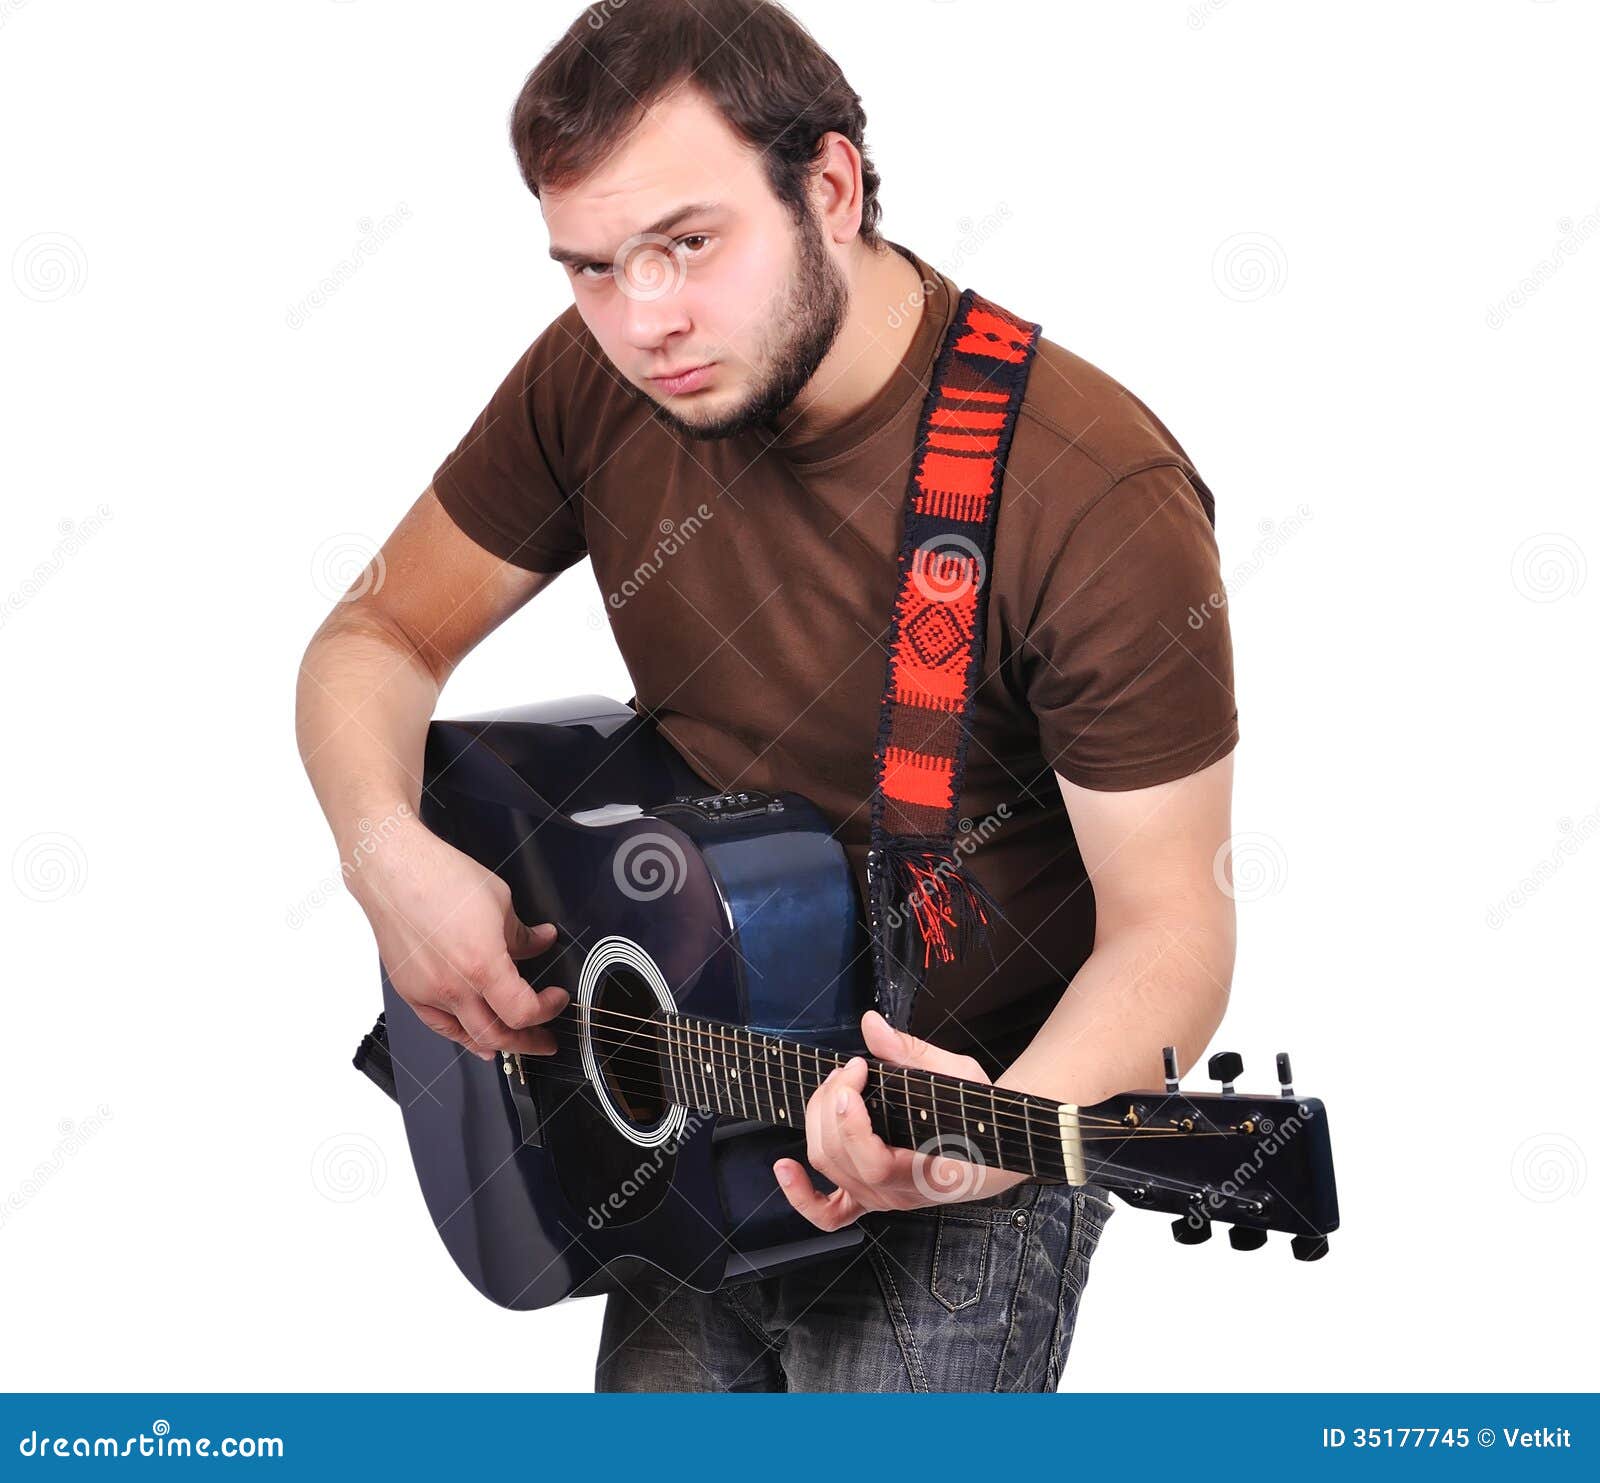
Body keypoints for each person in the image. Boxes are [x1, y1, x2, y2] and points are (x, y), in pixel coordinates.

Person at [296, 0, 1239, 1392]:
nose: (644, 320)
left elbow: (1175, 932)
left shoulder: (1087, 491)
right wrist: (386, 858)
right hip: (677, 1099)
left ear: (833, 187)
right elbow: (374, 632)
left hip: (964, 1131)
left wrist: (990, 1133)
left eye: (687, 244)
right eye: (591, 270)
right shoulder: (607, 377)